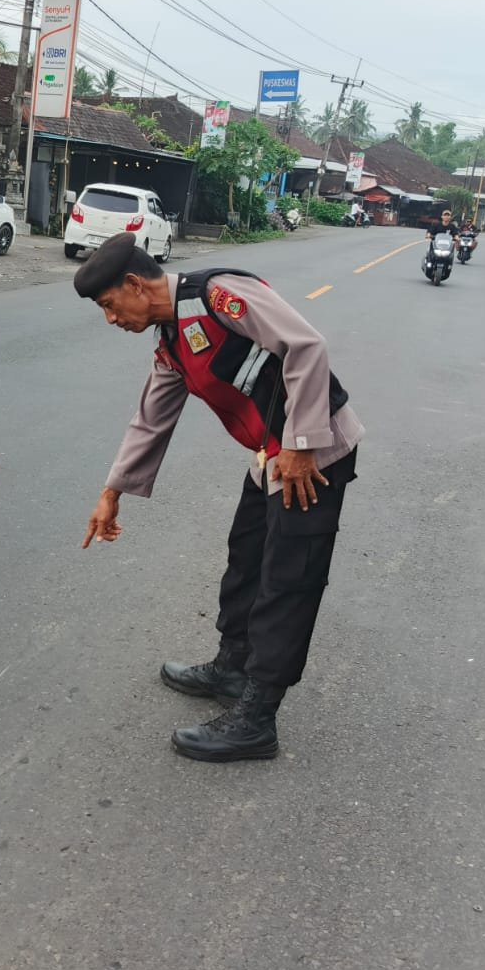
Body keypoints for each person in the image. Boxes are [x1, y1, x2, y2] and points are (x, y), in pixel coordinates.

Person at [75, 234, 363, 763]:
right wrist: (111, 492)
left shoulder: (219, 296)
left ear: (136, 285)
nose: (112, 320)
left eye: (111, 306)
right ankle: (232, 666)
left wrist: (301, 445)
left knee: (287, 583)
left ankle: (257, 719)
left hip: (312, 457)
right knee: (245, 561)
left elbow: (306, 346)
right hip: (271, 457)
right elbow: (150, 420)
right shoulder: (171, 342)